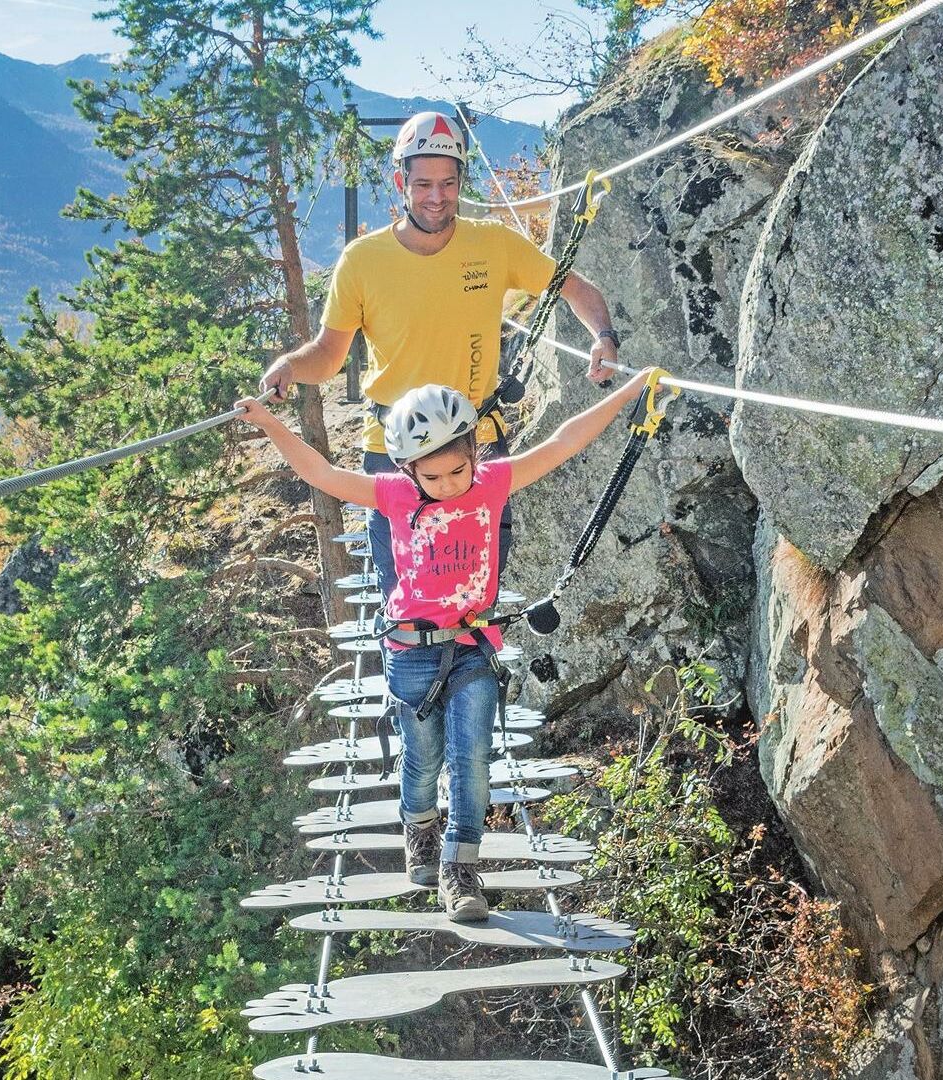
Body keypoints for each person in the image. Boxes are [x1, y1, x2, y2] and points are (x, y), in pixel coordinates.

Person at [237, 371, 659, 922]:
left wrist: (631, 392)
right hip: (409, 652)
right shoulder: (390, 493)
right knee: (422, 760)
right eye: (430, 476)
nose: (447, 484)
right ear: (407, 470)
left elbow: (564, 442)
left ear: (474, 453)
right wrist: (270, 423)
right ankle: (419, 830)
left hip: (472, 646)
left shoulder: (492, 483)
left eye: (458, 469)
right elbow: (320, 472)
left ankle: (460, 872)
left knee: (473, 761)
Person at [259, 110, 623, 594]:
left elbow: (572, 287)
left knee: (476, 593)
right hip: (394, 454)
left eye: (448, 184)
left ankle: (474, 670)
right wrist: (289, 366)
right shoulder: (363, 262)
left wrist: (603, 335)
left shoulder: (493, 245)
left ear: (460, 183)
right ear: (400, 182)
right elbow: (328, 355)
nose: (436, 197)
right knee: (406, 604)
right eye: (424, 184)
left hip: (475, 446)